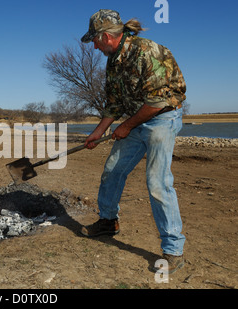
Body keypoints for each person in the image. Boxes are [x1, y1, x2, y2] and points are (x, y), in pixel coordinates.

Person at [80, 10, 186, 274]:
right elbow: (114, 103)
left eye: (95, 40)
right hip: (138, 119)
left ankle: (173, 251)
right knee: (113, 170)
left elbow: (158, 101)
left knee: (157, 182)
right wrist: (98, 132)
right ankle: (108, 222)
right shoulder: (113, 60)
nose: (94, 45)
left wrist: (126, 127)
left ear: (106, 36)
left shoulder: (146, 51)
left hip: (162, 117)